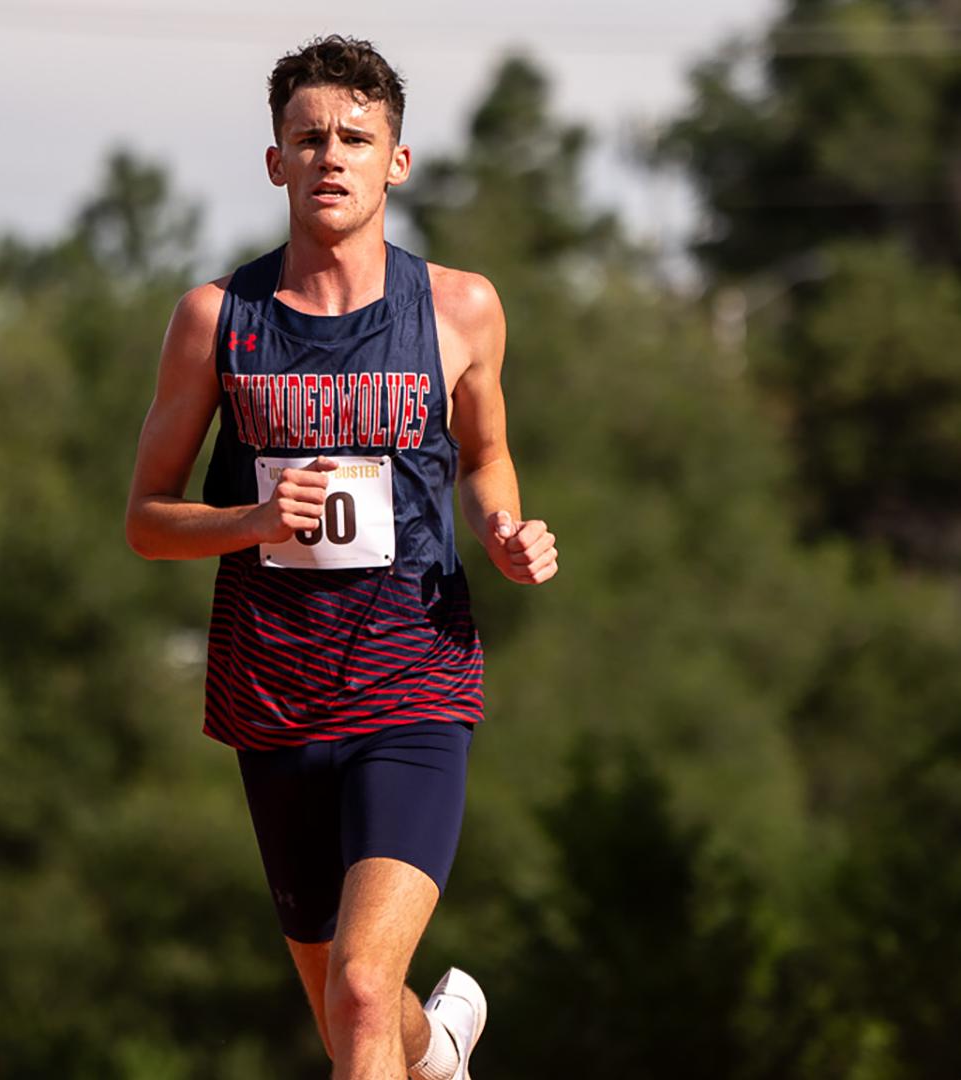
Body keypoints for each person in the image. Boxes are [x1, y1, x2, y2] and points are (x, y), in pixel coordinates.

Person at [124, 34, 557, 1080]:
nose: (332, 157)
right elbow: (145, 519)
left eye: (356, 139)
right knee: (352, 1006)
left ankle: (421, 1042)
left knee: (362, 984)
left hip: (415, 677)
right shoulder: (217, 320)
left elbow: (489, 463)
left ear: (396, 163)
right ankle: (441, 1049)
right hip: (272, 692)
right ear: (274, 160)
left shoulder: (459, 308)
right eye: (309, 138)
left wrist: (505, 529)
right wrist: (253, 523)